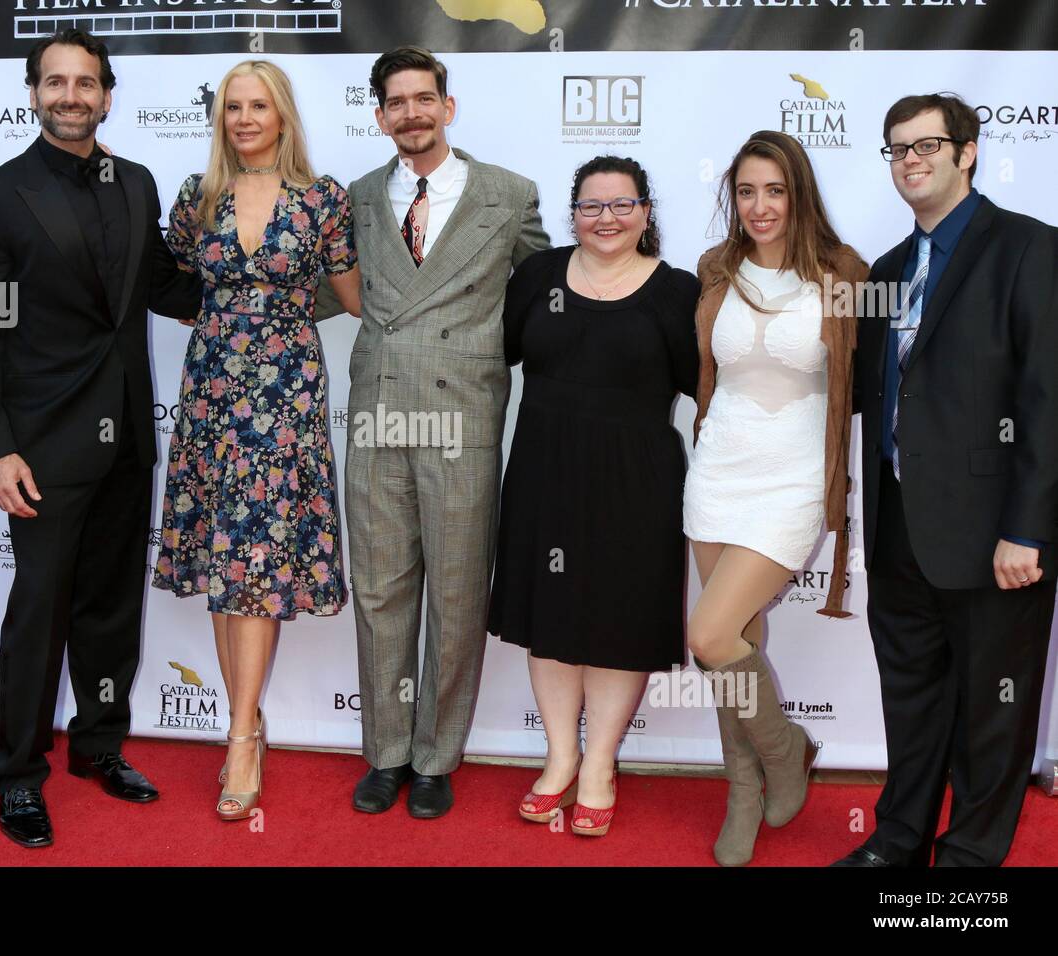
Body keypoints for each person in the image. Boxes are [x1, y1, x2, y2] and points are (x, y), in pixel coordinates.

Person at [0, 28, 202, 848]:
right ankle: (18, 775)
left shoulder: (138, 182)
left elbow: (162, 286)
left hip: (127, 433)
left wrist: (256, 276)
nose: (70, 96)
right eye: (54, 82)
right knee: (37, 612)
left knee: (109, 606)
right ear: (32, 93)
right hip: (42, 447)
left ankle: (98, 745)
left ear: (106, 94)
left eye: (85, 83)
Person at [835, 94, 1057, 868]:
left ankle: (967, 861)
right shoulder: (889, 270)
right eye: (896, 149)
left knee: (994, 711)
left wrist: (1028, 528)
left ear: (968, 151)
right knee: (913, 701)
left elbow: (1048, 397)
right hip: (900, 531)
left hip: (998, 536)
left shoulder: (1031, 249)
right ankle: (897, 841)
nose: (910, 160)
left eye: (927, 145)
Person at [152, 60, 362, 821]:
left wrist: (277, 321)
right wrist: (220, 318)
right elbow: (169, 280)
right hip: (210, 392)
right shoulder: (196, 198)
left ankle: (241, 734)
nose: (244, 119)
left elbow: (353, 296)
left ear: (282, 116)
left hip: (285, 396)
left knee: (259, 558)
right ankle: (245, 725)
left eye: (258, 106)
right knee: (224, 552)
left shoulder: (321, 200)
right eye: (233, 107)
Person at [343, 46, 549, 819]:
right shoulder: (360, 197)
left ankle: (436, 756)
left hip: (462, 418)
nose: (412, 114)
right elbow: (338, 288)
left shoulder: (508, 194)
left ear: (447, 106)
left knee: (458, 597)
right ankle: (387, 751)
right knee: (381, 591)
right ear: (381, 116)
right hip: (377, 417)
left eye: (424, 99)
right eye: (396, 103)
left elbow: (540, 299)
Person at [488, 156, 699, 837]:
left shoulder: (677, 293)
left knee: (618, 621)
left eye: (622, 203)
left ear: (646, 211)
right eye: (591, 205)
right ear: (571, 213)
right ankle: (559, 758)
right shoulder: (538, 277)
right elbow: (503, 352)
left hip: (638, 479)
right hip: (545, 468)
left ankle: (601, 763)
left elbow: (710, 388)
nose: (606, 217)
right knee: (549, 617)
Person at [683, 130, 868, 865]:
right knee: (738, 645)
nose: (760, 207)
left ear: (799, 195)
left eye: (776, 191)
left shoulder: (842, 273)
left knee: (708, 636)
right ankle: (744, 789)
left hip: (791, 480)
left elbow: (866, 379)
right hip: (718, 470)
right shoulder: (715, 268)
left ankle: (786, 751)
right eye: (747, 191)